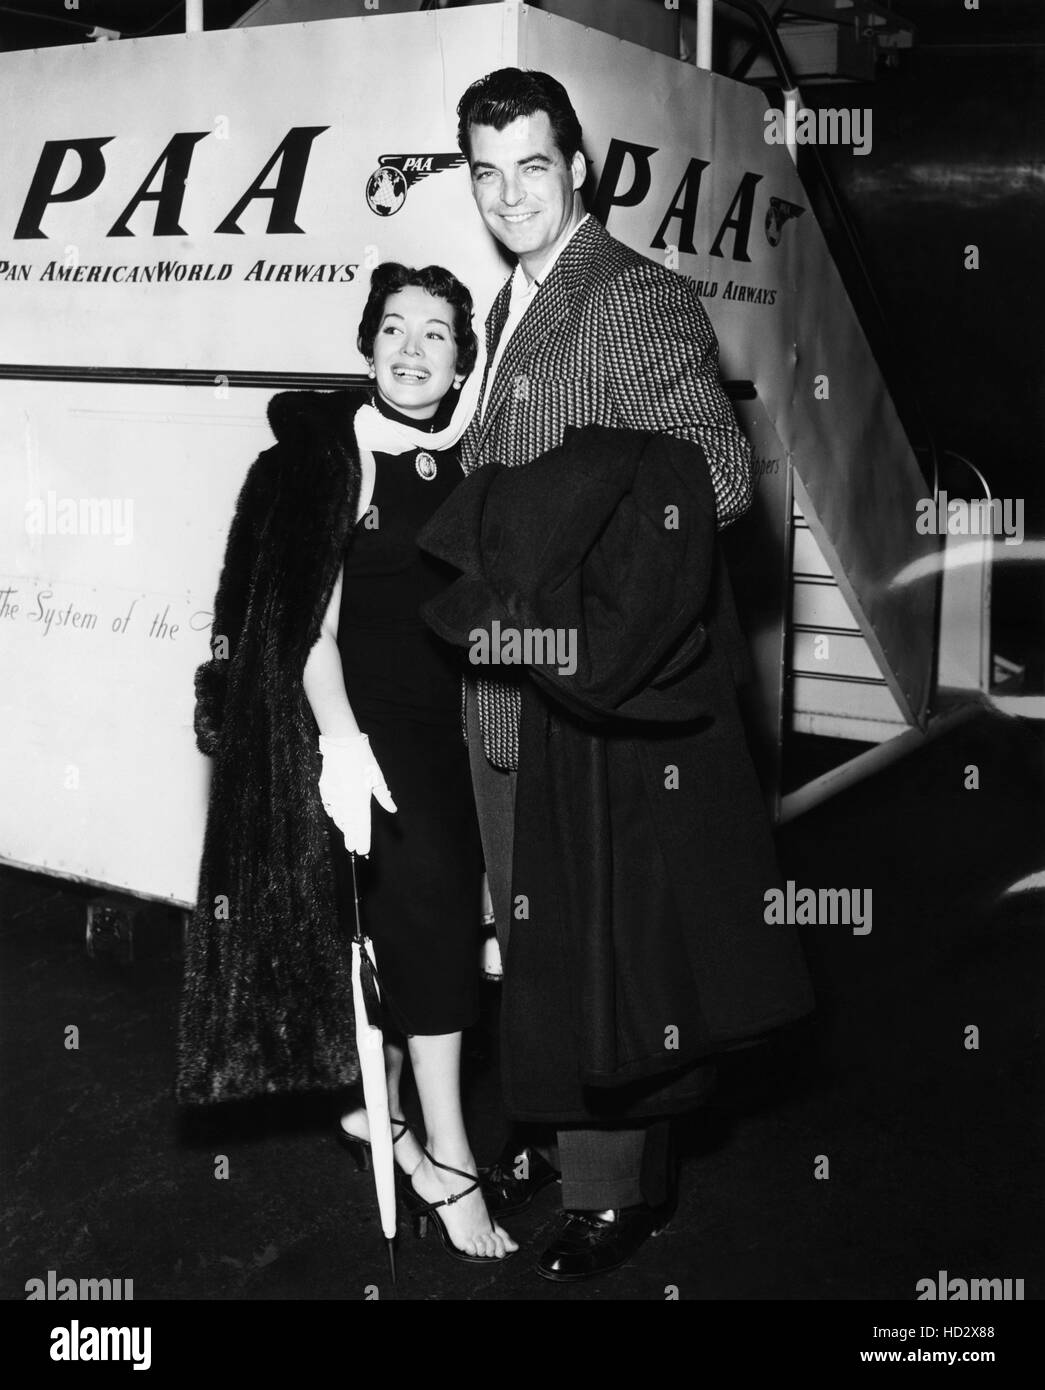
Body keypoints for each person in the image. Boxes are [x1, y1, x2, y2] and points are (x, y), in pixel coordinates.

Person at [436, 67, 814, 1282]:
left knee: (606, 945)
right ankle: (563, 1124)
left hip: (585, 694)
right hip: (508, 678)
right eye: (486, 173)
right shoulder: (509, 304)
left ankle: (618, 1189)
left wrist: (561, 539)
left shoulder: (628, 294)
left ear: (577, 167)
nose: (509, 196)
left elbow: (709, 470)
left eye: (532, 167)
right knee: (541, 937)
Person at [178, 261, 517, 1264]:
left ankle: (389, 1116)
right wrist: (342, 745)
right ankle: (450, 1160)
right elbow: (305, 634)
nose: (413, 350)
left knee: (421, 928)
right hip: (368, 727)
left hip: (459, 721)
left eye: (438, 334)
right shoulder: (335, 457)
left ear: (464, 361)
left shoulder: (471, 453)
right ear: (366, 345)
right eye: (395, 330)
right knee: (439, 919)